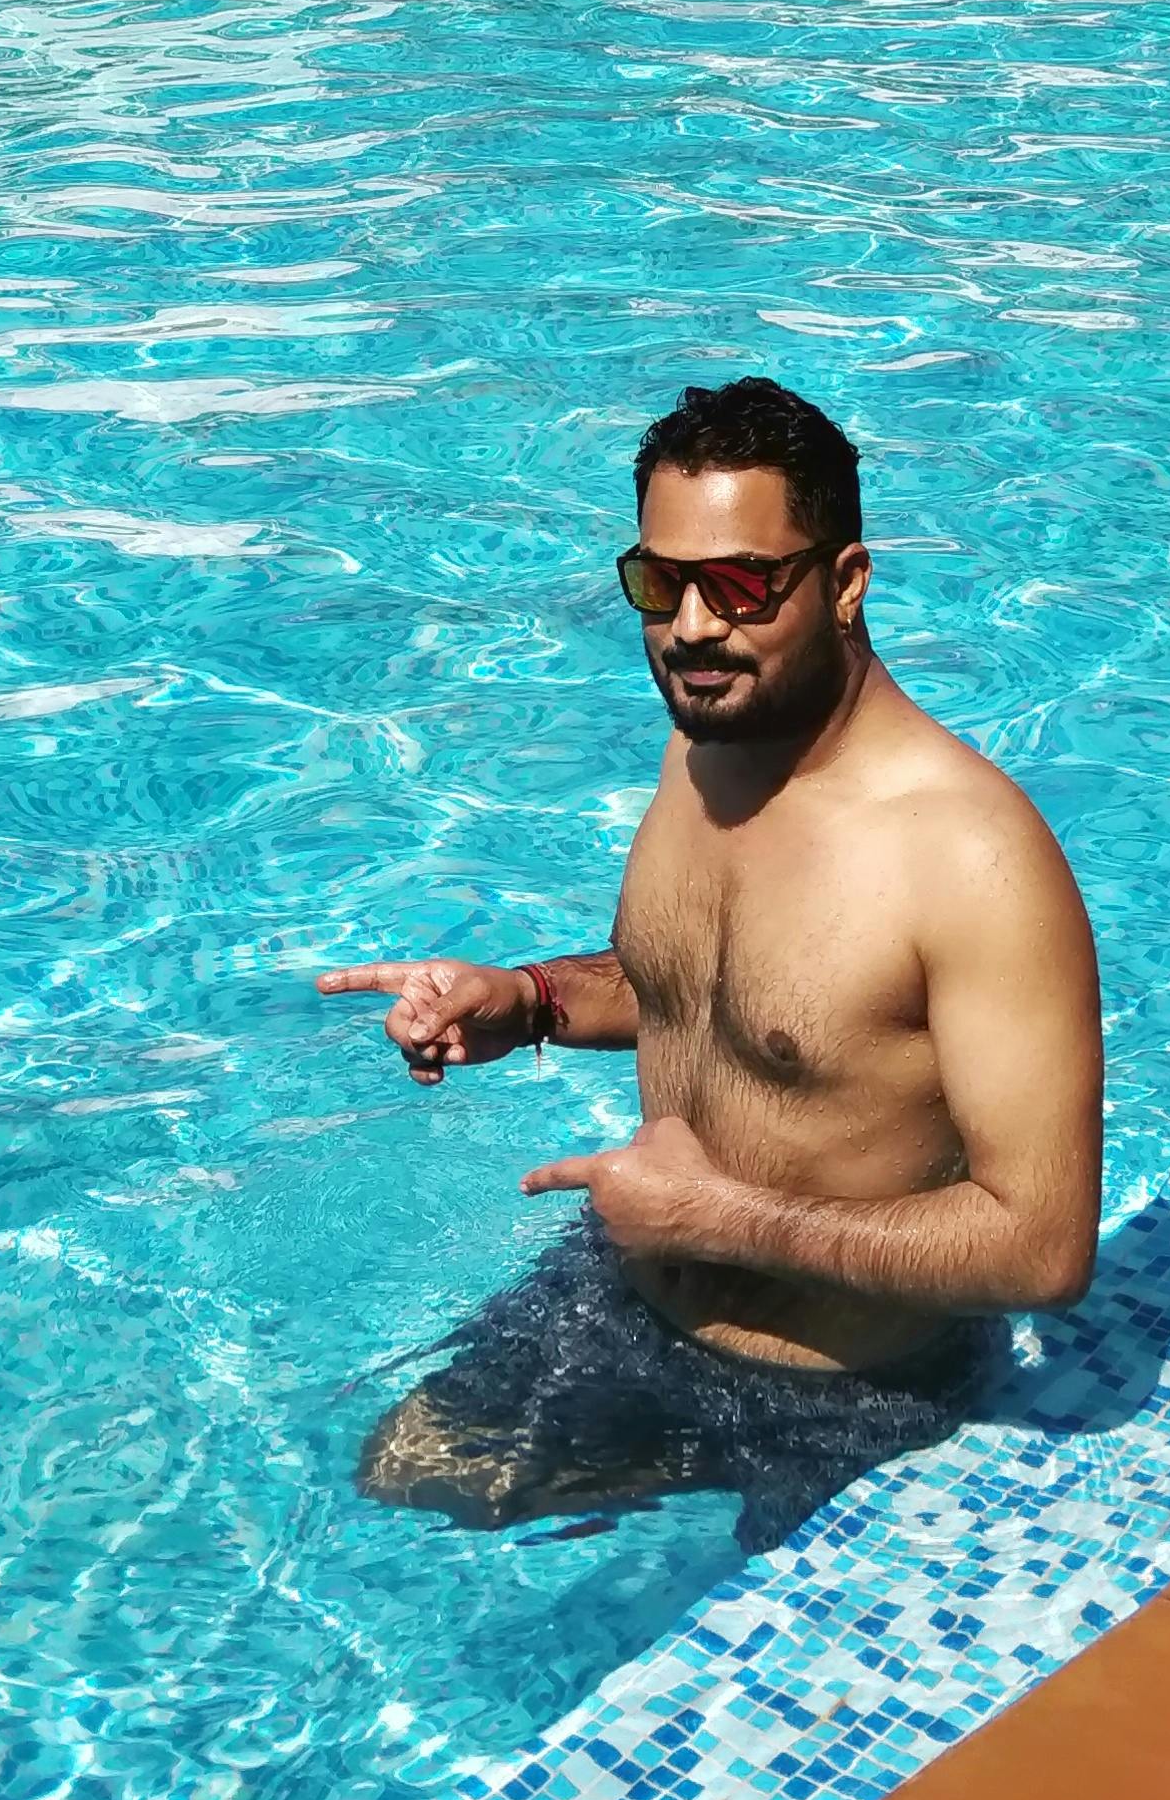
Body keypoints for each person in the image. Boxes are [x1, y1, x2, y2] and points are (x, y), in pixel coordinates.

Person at [317, 372, 1103, 1543]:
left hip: (847, 1397)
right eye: (660, 582)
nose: (691, 627)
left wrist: (720, 1221)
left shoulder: (972, 860)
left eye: (739, 585)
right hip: (628, 1294)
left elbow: (1042, 1246)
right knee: (401, 1476)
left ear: (845, 583)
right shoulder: (712, 745)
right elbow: (688, 990)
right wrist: (526, 1001)